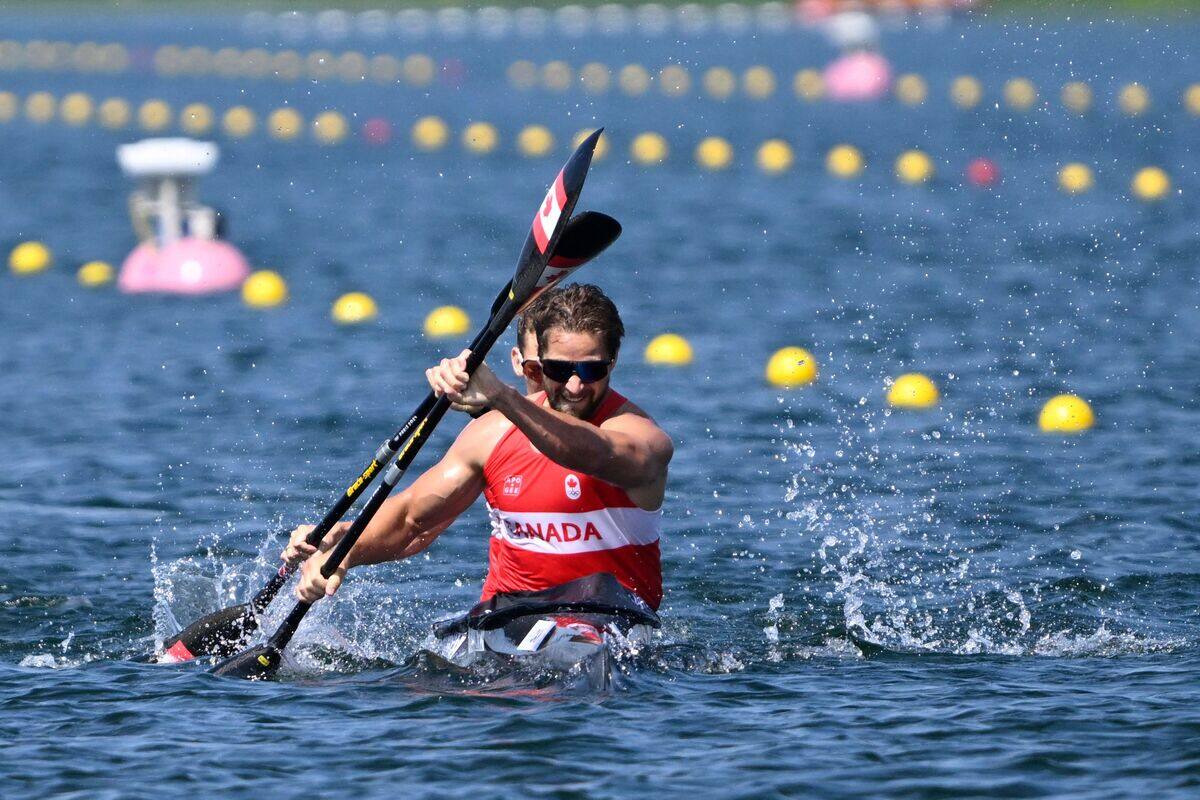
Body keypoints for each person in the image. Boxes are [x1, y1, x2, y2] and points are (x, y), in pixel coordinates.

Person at [283, 283, 673, 612]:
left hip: (610, 625)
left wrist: (500, 396)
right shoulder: (491, 434)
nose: (574, 386)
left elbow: (586, 453)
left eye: (591, 370)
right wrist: (342, 549)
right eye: (558, 370)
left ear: (614, 361)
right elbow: (411, 521)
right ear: (534, 364)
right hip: (508, 622)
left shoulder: (643, 440)